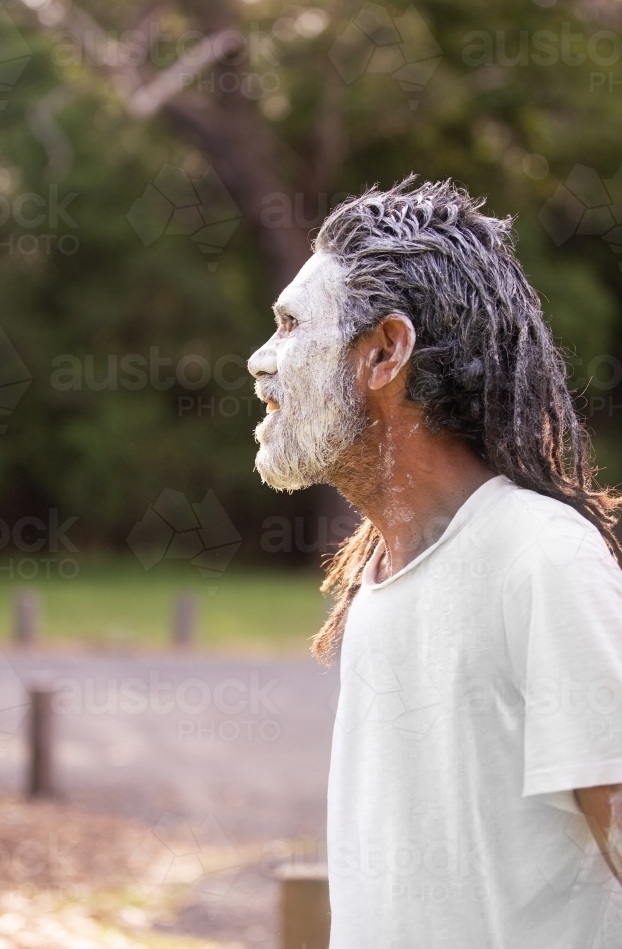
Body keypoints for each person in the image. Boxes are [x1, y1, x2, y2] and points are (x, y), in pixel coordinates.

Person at [247, 178, 622, 948]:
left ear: (383, 352)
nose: (261, 360)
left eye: (289, 326)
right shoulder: (375, 577)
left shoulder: (540, 558)